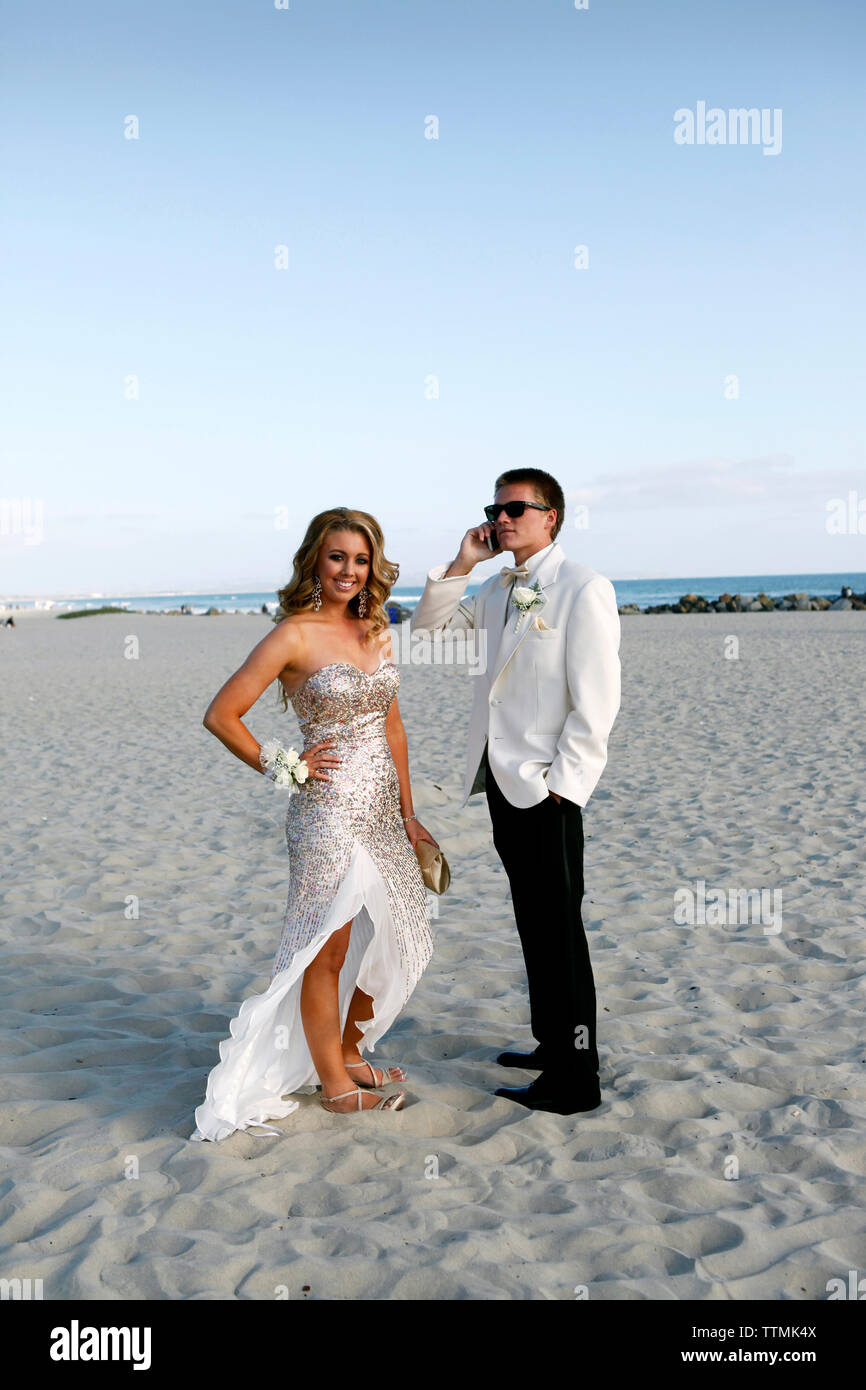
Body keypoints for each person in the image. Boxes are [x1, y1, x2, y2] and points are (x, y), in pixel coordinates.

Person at [190, 507, 437, 1141]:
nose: (349, 571)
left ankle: (350, 1052)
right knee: (323, 948)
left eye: (361, 559)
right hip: (325, 814)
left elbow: (392, 725)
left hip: (382, 812)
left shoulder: (376, 630)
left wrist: (410, 816)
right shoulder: (293, 636)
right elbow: (222, 715)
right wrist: (285, 765)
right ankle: (335, 1086)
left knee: (390, 933)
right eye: (337, 558)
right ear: (314, 561)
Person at [410, 469, 621, 1115]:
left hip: (548, 790)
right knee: (535, 923)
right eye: (494, 510)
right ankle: (552, 1044)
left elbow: (598, 701)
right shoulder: (499, 589)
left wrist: (567, 786)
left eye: (515, 509)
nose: (502, 519)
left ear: (550, 515)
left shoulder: (582, 588)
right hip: (499, 782)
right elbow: (428, 635)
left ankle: (573, 1079)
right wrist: (463, 562)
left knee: (560, 931)